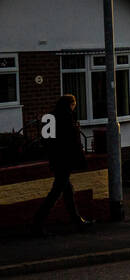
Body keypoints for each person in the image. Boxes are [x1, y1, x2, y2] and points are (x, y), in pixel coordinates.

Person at [31, 93, 90, 235]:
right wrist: (81, 159)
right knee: (56, 192)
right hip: (66, 160)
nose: (74, 107)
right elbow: (74, 142)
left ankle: (78, 221)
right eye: (74, 105)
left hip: (56, 160)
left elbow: (45, 140)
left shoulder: (50, 117)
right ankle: (38, 221)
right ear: (71, 104)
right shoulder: (69, 118)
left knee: (67, 191)